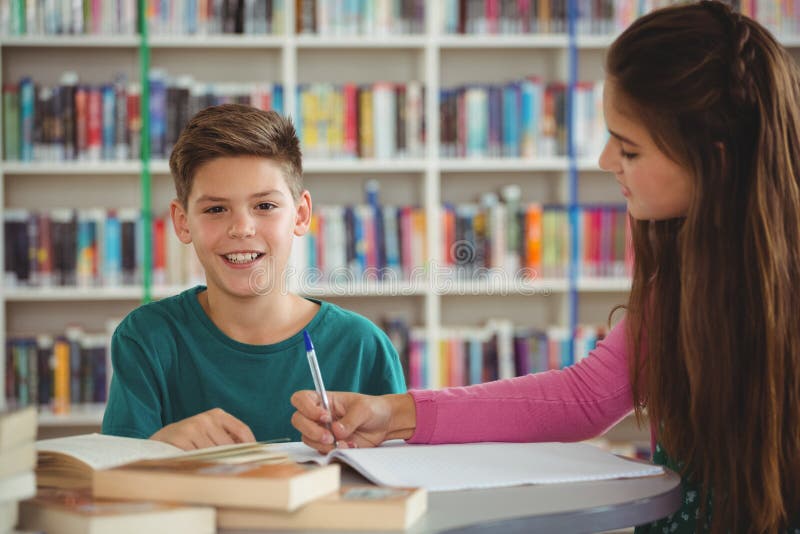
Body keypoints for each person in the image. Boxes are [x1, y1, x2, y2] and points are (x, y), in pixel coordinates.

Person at [290, 2, 800, 532]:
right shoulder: (680, 277)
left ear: (714, 159)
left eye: (628, 150)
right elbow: (585, 395)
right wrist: (393, 413)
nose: (605, 162)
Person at [102, 104, 406, 449]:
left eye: (265, 206)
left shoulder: (363, 346)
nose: (242, 229)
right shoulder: (147, 338)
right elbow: (113, 482)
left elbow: (393, 485)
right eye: (216, 209)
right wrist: (157, 448)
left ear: (301, 214)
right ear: (183, 222)